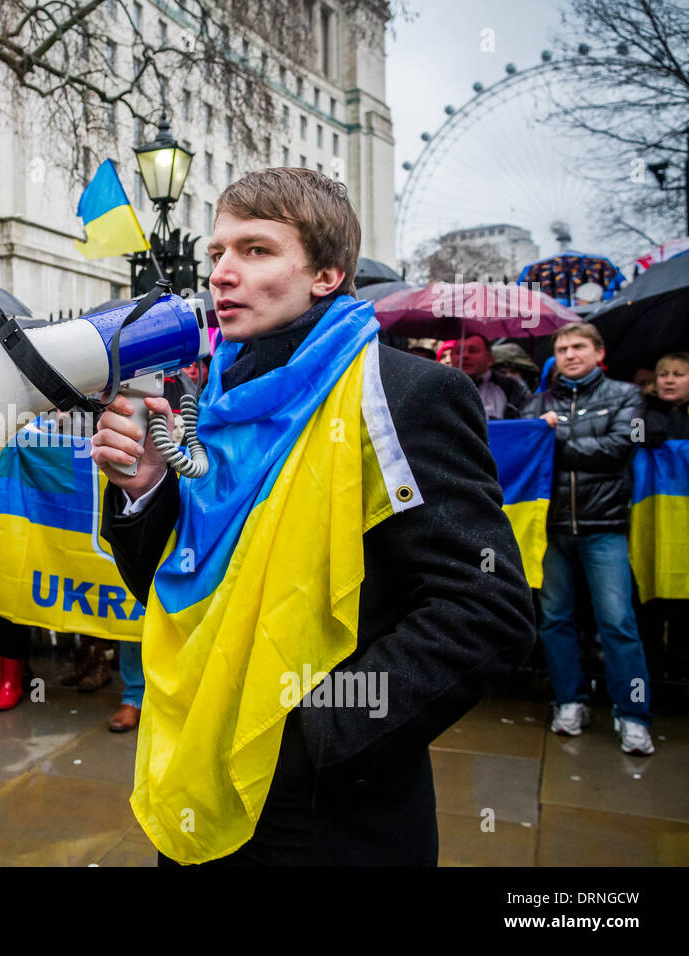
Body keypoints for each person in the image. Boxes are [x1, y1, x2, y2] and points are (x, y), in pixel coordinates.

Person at [92, 168, 535, 866]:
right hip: (193, 772)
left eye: (256, 250)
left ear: (327, 273)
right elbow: (170, 590)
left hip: (328, 816)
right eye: (217, 254)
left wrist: (316, 734)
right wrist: (145, 491)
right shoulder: (210, 404)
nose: (222, 274)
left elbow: (486, 608)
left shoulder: (406, 393)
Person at [521, 323, 654, 755]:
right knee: (555, 621)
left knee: (617, 623)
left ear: (598, 352)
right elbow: (526, 450)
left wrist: (556, 436)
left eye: (579, 346)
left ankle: (633, 714)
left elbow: (621, 448)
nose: (570, 354)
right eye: (562, 348)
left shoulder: (625, 396)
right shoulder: (538, 401)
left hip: (605, 528)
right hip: (553, 527)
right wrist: (546, 436)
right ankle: (568, 702)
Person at [635, 351, 689, 683]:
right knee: (648, 609)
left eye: (679, 374)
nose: (669, 380)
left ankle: (682, 677)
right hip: (650, 524)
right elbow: (635, 437)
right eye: (663, 374)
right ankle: (652, 677)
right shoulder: (642, 411)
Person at [449, 333, 530, 419]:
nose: (465, 356)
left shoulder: (512, 386)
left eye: (473, 350)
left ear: (490, 358)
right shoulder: (442, 386)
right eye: (458, 351)